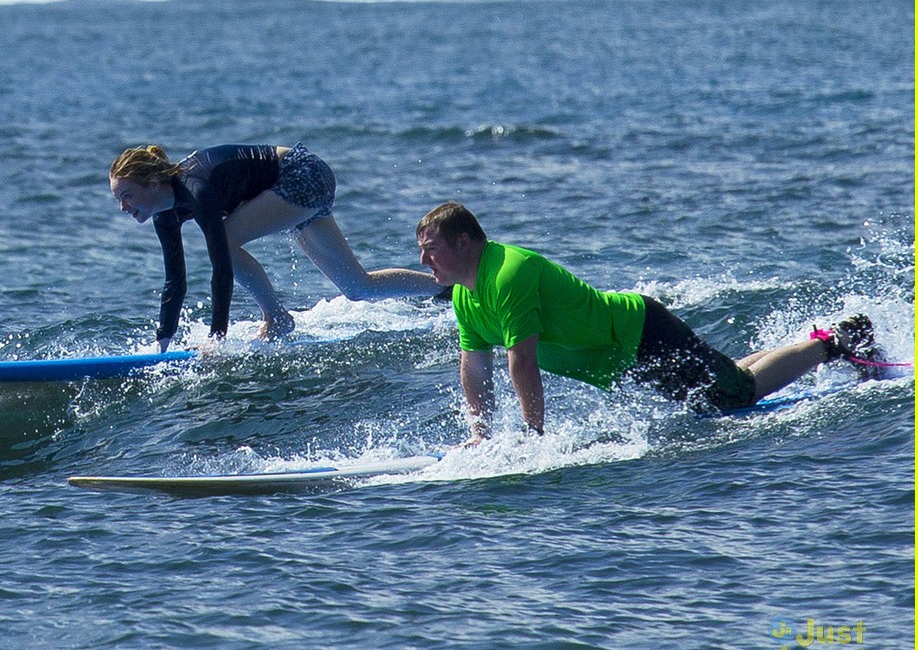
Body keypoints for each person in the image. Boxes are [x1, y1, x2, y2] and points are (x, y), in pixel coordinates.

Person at [414, 201, 883, 443]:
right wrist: (481, 436)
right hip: (623, 355)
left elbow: (522, 364)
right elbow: (474, 368)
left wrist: (532, 439)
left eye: (431, 249)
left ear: (462, 242)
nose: (423, 259)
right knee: (717, 392)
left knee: (737, 396)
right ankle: (802, 345)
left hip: (640, 334)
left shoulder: (507, 273)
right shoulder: (465, 295)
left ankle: (836, 341)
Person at [109, 143, 439, 351]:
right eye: (118, 200)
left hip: (303, 174)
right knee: (358, 287)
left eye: (127, 196)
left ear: (152, 183)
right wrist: (161, 344)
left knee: (225, 239)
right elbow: (174, 282)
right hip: (294, 189)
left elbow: (222, 266)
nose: (123, 207)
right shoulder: (164, 216)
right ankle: (447, 289)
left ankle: (276, 318)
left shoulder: (196, 189)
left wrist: (217, 339)